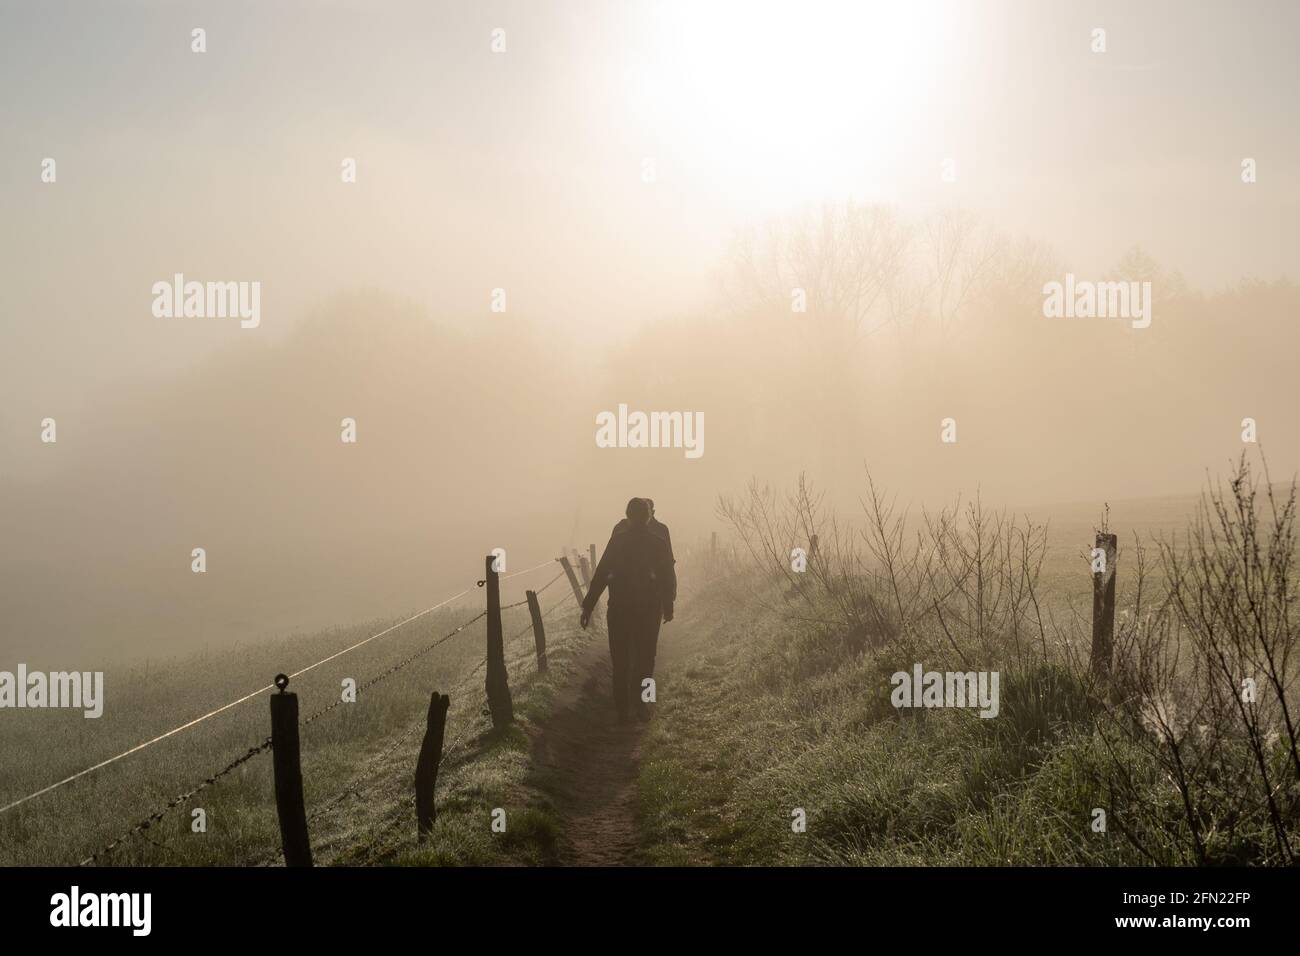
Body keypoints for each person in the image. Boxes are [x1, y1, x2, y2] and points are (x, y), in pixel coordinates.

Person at [581, 497, 676, 722]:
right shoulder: (659, 543)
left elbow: (601, 574)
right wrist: (668, 605)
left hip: (619, 610)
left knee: (620, 661)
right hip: (649, 611)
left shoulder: (617, 542)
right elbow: (667, 579)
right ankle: (643, 705)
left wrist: (587, 607)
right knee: (647, 658)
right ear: (648, 516)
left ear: (627, 516)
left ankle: (622, 711)